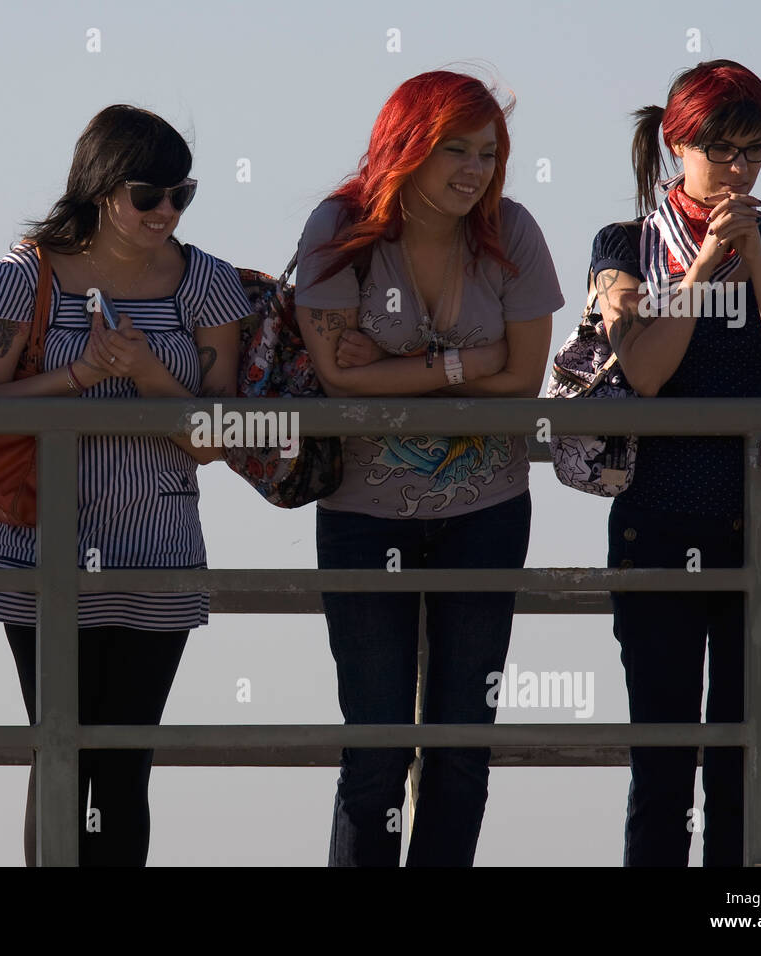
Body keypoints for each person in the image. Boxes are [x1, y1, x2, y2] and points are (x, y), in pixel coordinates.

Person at [0, 104, 248, 867]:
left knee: (123, 767)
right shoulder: (27, 276)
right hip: (41, 546)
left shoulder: (210, 283)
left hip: (156, 549)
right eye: (147, 194)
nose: (166, 212)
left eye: (181, 194)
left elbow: (219, 441)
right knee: (58, 757)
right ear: (99, 188)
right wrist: (80, 375)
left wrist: (149, 375)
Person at [294, 71, 564, 866]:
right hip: (362, 513)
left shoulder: (511, 230)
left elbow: (521, 379)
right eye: (456, 149)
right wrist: (462, 363)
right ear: (407, 144)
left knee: (459, 746)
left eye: (488, 152)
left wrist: (399, 362)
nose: (476, 170)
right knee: (375, 748)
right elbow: (341, 380)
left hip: (488, 510)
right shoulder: (339, 225)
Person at [590, 59, 761, 866]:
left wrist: (753, 260)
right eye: (722, 149)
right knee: (662, 762)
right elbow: (646, 375)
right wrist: (698, 268)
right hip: (657, 525)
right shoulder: (626, 245)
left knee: (745, 757)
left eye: (756, 150)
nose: (739, 168)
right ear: (675, 145)